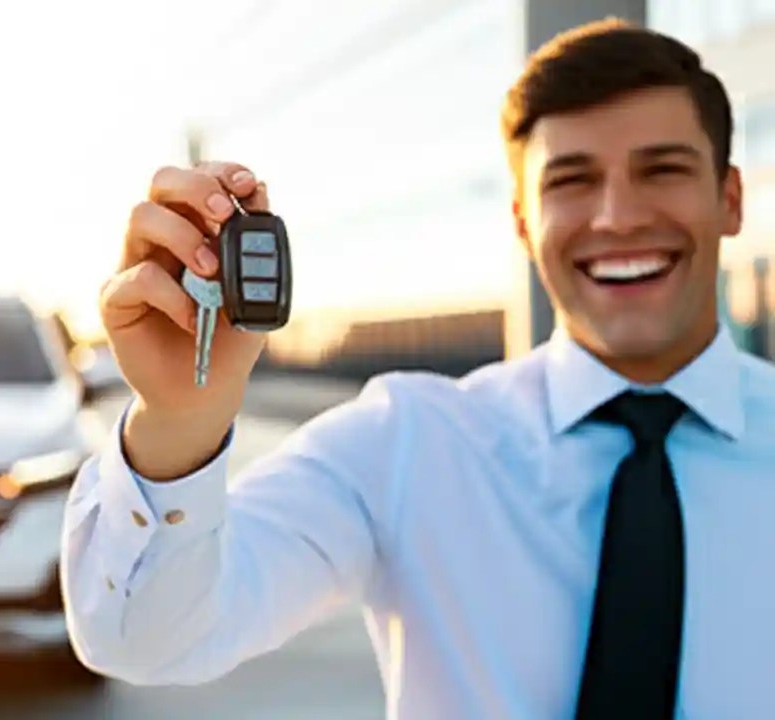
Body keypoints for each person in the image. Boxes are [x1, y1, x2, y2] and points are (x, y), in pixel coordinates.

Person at [61, 17, 775, 720]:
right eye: (572, 180)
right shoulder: (403, 443)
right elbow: (144, 642)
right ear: (524, 222)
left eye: (663, 170)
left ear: (731, 199)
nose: (617, 216)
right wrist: (179, 425)